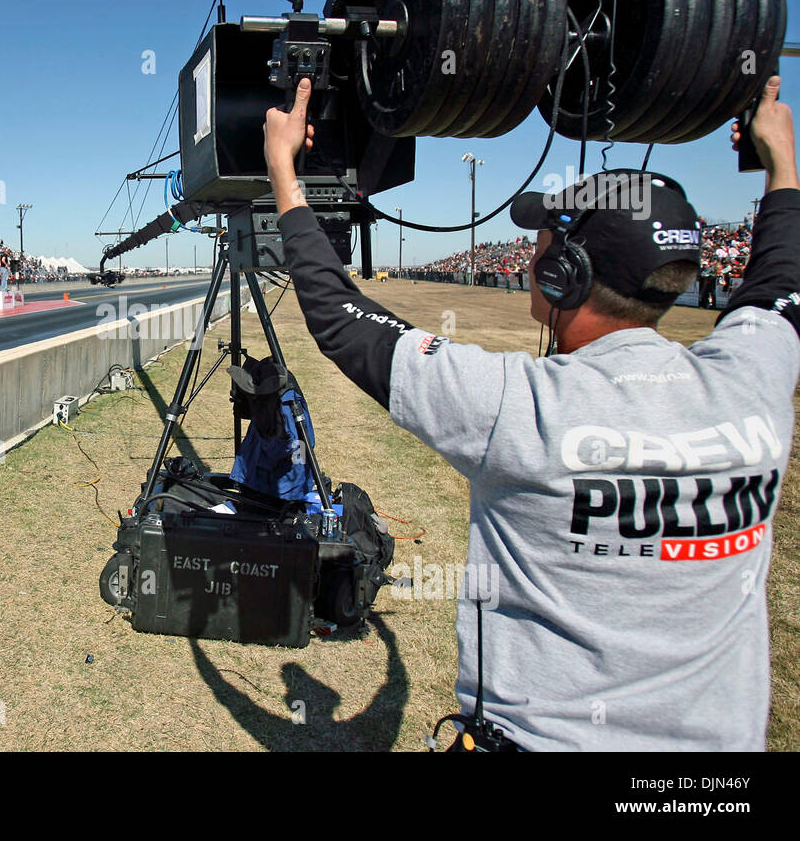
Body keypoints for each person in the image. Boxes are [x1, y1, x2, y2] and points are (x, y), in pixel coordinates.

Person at [263, 75, 798, 751]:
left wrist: (283, 171)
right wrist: (781, 160)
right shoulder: (754, 380)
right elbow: (780, 279)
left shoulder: (518, 407)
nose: (536, 250)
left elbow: (342, 319)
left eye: (545, 238)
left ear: (564, 273)